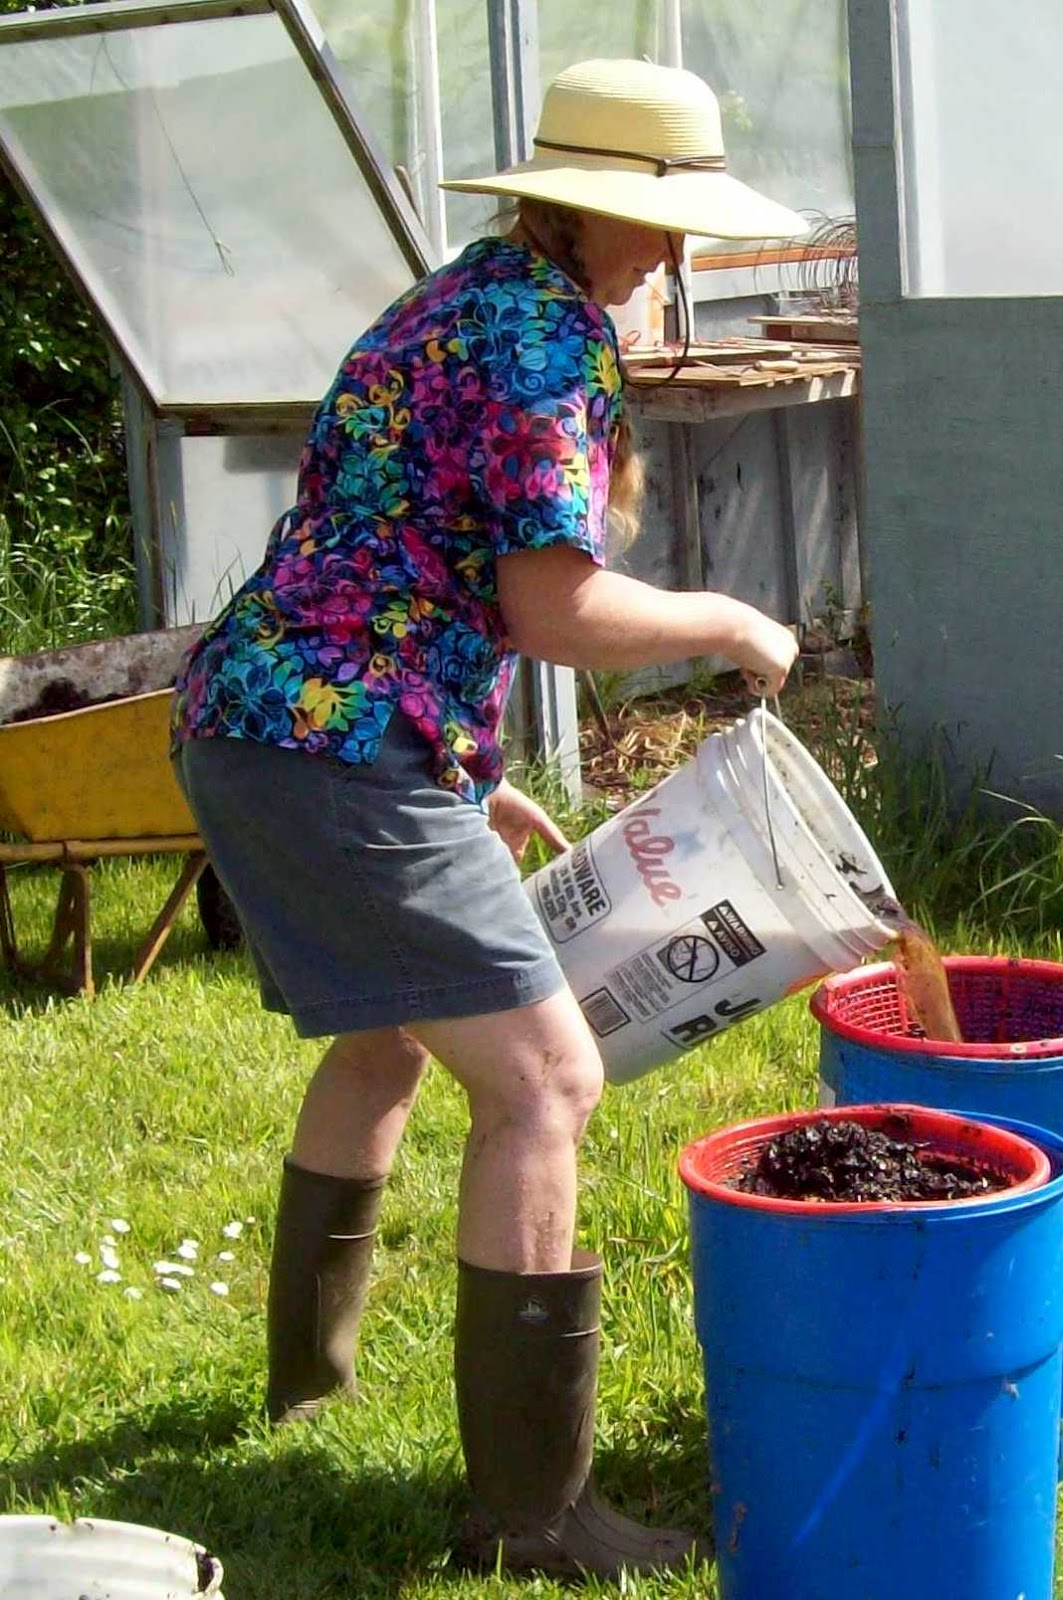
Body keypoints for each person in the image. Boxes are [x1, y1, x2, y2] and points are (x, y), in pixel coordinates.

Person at [170, 56, 804, 1579]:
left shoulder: (455, 296)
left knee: (388, 1036)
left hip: (266, 721)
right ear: (607, 218)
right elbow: (555, 605)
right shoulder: (542, 341)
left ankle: (306, 1388)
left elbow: (386, 552)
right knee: (544, 1082)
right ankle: (532, 1514)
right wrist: (733, 620)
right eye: (663, 231)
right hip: (335, 745)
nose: (676, 259)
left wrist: (458, 765)